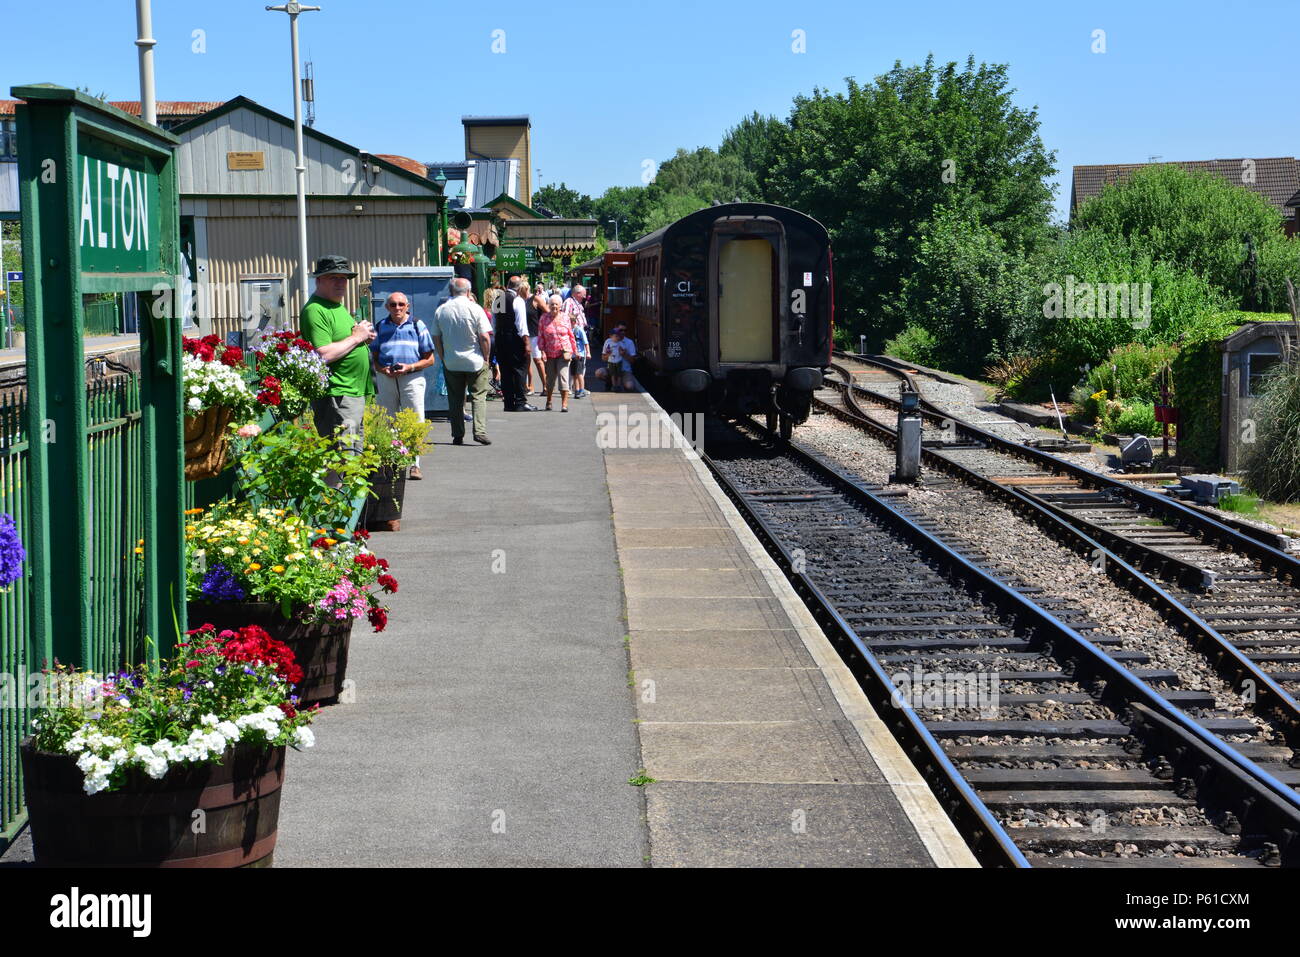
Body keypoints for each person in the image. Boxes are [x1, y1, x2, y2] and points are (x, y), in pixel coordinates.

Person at [300, 254, 374, 455]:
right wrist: (357, 338)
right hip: (337, 395)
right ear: (319, 280)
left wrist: (363, 337)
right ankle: (337, 488)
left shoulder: (337, 306)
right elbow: (323, 354)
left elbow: (343, 342)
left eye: (344, 278)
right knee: (342, 458)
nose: (341, 282)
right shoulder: (316, 310)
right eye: (334, 277)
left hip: (350, 392)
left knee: (353, 457)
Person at [370, 291, 434, 479]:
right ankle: (393, 462)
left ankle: (415, 464)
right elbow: (374, 357)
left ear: (407, 306)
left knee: (414, 420)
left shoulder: (417, 325)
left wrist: (409, 367)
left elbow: (430, 359)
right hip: (387, 378)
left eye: (400, 304)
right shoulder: (381, 326)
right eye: (392, 305)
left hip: (412, 378)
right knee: (387, 421)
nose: (397, 308)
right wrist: (382, 369)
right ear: (386, 307)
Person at [431, 277, 493, 445]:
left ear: (451, 291)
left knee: (455, 398)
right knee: (479, 396)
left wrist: (443, 356)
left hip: (451, 361)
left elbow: (436, 337)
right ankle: (479, 431)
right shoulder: (475, 309)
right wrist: (486, 357)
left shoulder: (442, 310)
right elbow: (484, 337)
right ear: (468, 291)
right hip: (475, 360)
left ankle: (457, 433)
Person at [495, 277, 535, 412]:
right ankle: (520, 401)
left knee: (505, 370)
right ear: (519, 288)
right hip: (514, 337)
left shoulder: (498, 298)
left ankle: (508, 402)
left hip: (500, 337)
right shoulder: (518, 300)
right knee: (519, 369)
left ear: (508, 285)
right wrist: (527, 343)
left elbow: (494, 322)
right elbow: (521, 324)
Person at [538, 294, 577, 412]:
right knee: (550, 380)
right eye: (552, 304)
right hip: (549, 353)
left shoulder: (565, 317)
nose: (554, 306)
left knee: (563, 377)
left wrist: (574, 351)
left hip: (563, 352)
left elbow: (570, 334)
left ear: (560, 306)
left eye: (556, 304)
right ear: (548, 305)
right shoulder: (544, 318)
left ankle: (564, 404)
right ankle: (549, 400)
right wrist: (542, 351)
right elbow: (540, 336)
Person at [563, 285, 590, 398]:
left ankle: (577, 387)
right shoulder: (569, 302)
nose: (585, 296)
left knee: (578, 366)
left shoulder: (577, 303)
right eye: (583, 293)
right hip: (573, 337)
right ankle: (570, 388)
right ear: (576, 293)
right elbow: (565, 317)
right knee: (573, 365)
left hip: (579, 335)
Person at [525, 284, 547, 395]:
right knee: (526, 361)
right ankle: (530, 386)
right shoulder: (518, 300)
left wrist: (544, 327)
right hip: (524, 335)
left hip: (535, 334)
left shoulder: (535, 299)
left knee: (538, 361)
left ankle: (546, 386)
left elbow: (548, 311)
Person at [602, 325, 637, 392]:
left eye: (625, 330)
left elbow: (633, 361)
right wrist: (608, 354)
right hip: (612, 364)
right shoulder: (608, 341)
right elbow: (603, 358)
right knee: (600, 373)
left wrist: (624, 354)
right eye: (621, 330)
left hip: (624, 370)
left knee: (630, 386)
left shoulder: (629, 342)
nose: (623, 332)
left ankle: (619, 385)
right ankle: (612, 384)